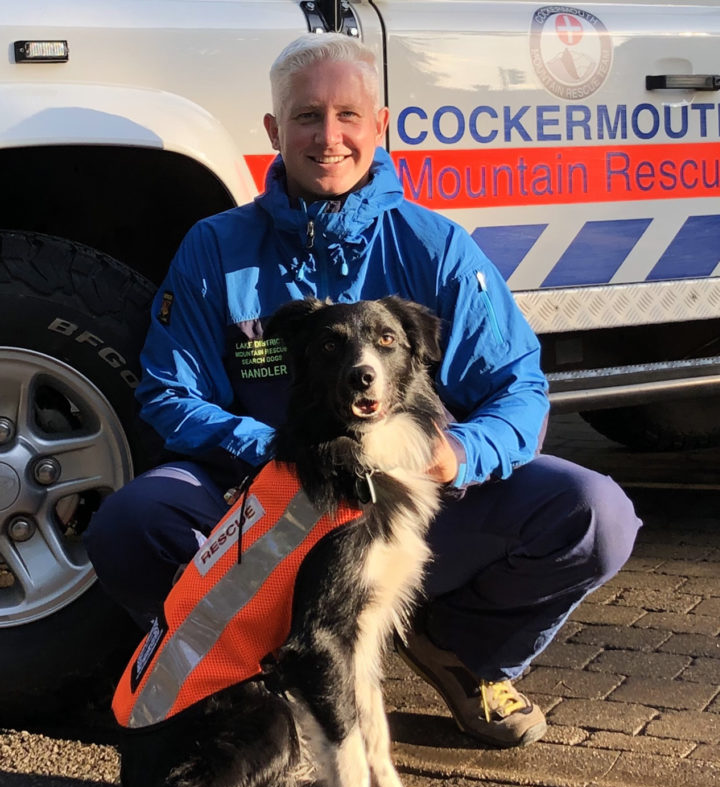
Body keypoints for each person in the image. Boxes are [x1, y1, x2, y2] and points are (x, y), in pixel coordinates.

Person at [84, 32, 640, 749]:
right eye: (307, 117)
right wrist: (279, 456)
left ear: (380, 126)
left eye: (348, 115)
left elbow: (519, 390)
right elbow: (168, 393)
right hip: (260, 501)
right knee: (130, 524)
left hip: (403, 505)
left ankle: (460, 649)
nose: (328, 137)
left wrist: (458, 455)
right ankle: (259, 686)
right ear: (273, 130)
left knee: (593, 514)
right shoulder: (216, 249)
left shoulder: (433, 247)